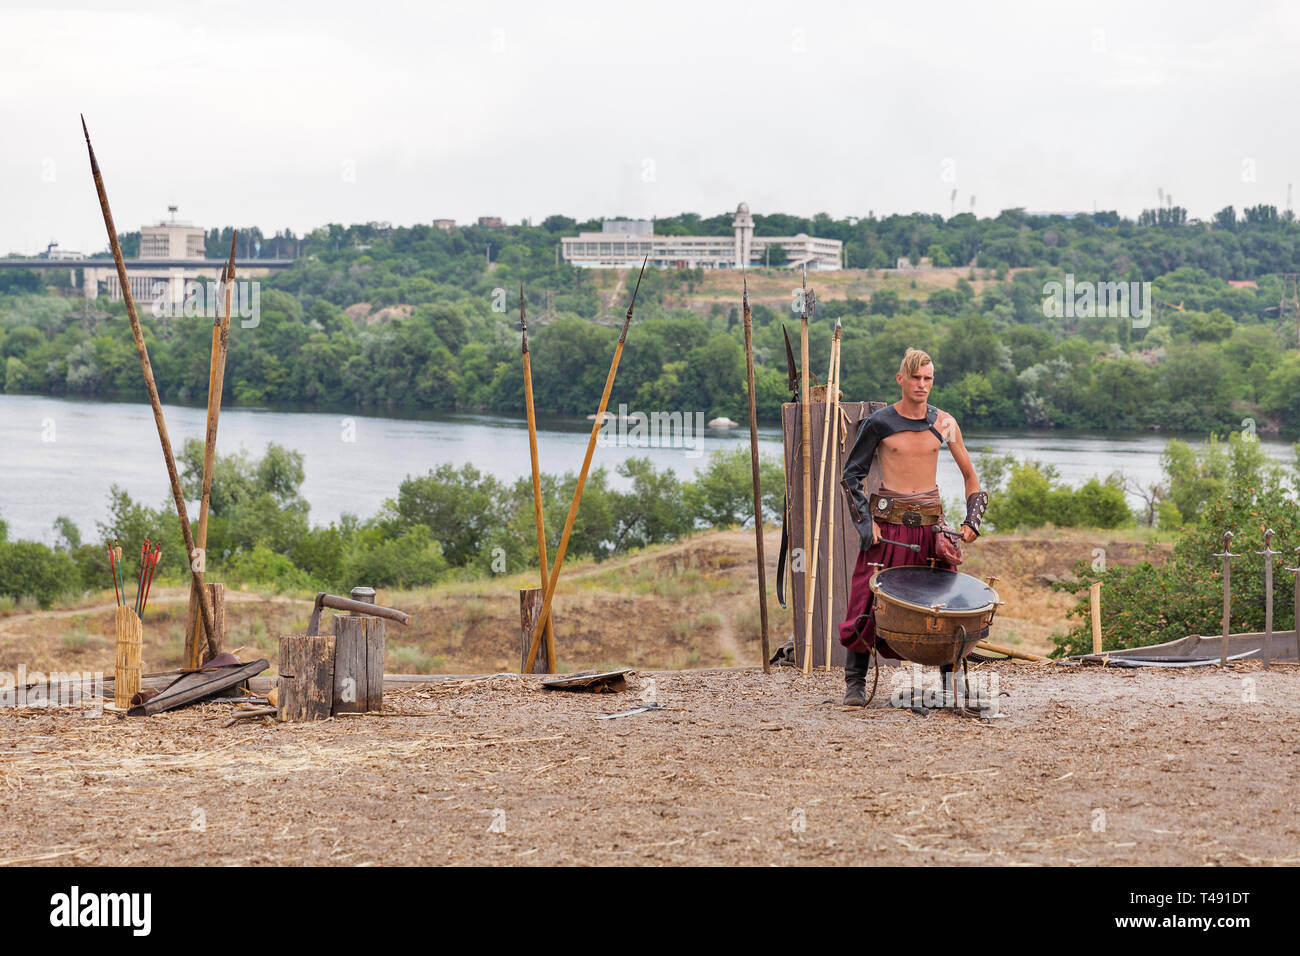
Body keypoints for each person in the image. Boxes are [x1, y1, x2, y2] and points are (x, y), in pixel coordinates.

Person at [837, 348, 987, 707]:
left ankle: (952, 684)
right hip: (887, 527)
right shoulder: (879, 423)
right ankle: (855, 683)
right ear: (900, 379)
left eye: (928, 378)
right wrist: (865, 523)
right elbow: (851, 476)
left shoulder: (945, 423)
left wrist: (972, 520)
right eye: (916, 378)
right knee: (866, 601)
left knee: (945, 605)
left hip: (932, 529)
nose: (922, 384)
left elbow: (971, 476)